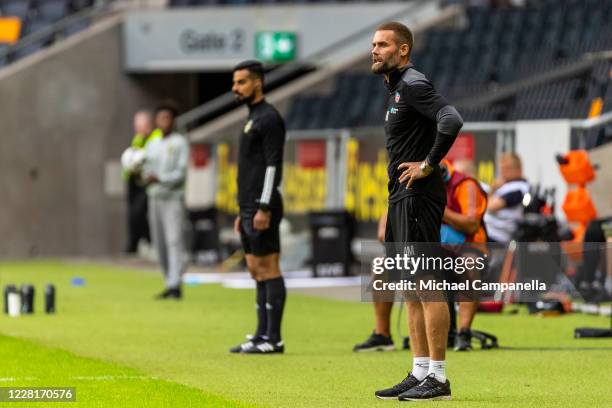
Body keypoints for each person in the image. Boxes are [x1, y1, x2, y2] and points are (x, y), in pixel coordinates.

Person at [370, 22, 463, 401]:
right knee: (409, 288)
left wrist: (427, 164)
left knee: (426, 284)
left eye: (382, 44)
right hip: (400, 197)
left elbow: (451, 119)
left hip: (419, 196)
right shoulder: (395, 88)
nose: (374, 50)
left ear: (403, 50)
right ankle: (420, 370)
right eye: (373, 44)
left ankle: (438, 377)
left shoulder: (413, 83)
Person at [228, 60, 287, 354]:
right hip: (249, 207)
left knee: (268, 268)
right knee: (254, 269)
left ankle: (274, 339)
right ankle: (260, 333)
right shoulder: (252, 118)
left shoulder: (269, 118)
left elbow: (272, 166)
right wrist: (243, 211)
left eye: (240, 82)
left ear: (257, 83)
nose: (234, 88)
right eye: (235, 83)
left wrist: (263, 206)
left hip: (263, 205)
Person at [439, 159, 488, 351]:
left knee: (470, 263)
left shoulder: (465, 184)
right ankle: (382, 335)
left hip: (469, 247)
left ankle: (463, 333)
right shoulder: (416, 183)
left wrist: (438, 209)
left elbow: (471, 225)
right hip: (436, 249)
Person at [144, 103, 189, 300]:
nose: (164, 122)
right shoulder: (152, 143)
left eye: (168, 118)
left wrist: (160, 178)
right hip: (154, 198)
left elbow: (180, 172)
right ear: (156, 121)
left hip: (172, 199)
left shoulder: (179, 142)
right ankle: (167, 281)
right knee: (159, 243)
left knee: (174, 241)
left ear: (173, 121)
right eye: (161, 118)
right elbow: (145, 169)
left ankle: (175, 284)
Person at [124, 110, 162, 254]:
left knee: (140, 212)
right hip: (134, 180)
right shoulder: (138, 138)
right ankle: (134, 243)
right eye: (136, 125)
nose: (138, 128)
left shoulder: (156, 137)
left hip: (149, 182)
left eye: (140, 124)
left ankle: (150, 241)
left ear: (148, 124)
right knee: (132, 214)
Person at [484, 153, 529, 243]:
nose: (503, 172)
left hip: (496, 235)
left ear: (518, 170)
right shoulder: (506, 184)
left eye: (507, 168)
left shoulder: (518, 188)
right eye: (502, 168)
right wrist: (493, 189)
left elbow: (491, 206)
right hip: (488, 230)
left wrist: (492, 191)